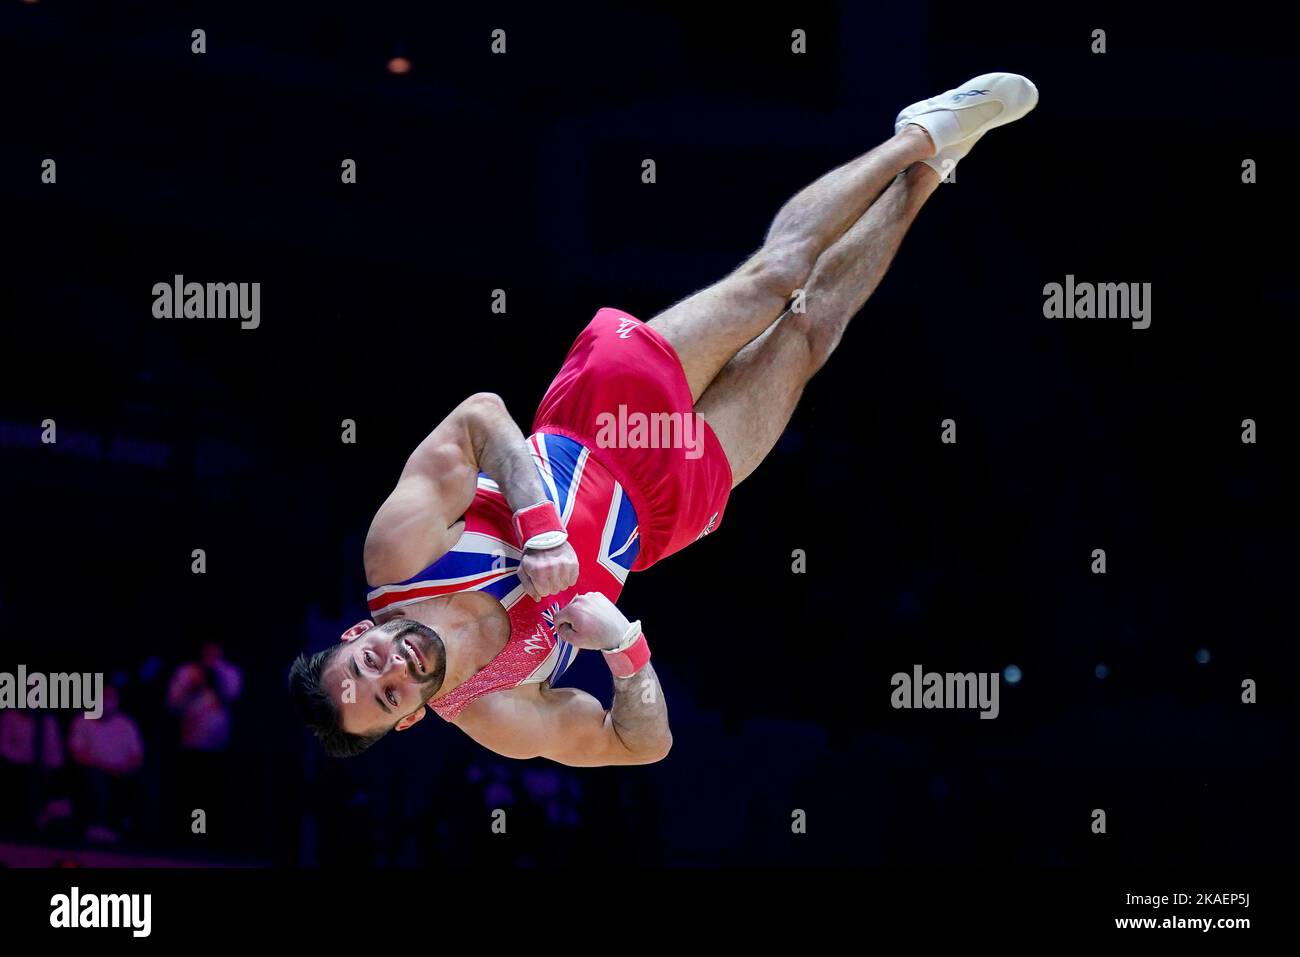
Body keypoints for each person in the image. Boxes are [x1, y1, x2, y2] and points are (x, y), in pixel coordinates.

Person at [290, 72, 1038, 765]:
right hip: (658, 515)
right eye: (389, 696)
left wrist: (540, 525)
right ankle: (934, 172)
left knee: (774, 281)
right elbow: (640, 745)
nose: (392, 669)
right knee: (808, 335)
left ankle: (918, 135)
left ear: (360, 633)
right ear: (411, 717)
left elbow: (479, 414)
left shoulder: (398, 557)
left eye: (367, 661)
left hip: (597, 422)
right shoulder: (495, 711)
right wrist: (626, 652)